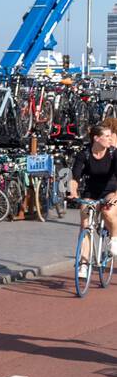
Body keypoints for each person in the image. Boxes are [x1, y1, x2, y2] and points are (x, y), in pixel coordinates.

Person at [67, 118, 117, 279]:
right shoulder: (84, 154)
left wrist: (115, 197)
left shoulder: (113, 153)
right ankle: (83, 263)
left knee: (109, 212)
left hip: (111, 190)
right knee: (85, 224)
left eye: (111, 136)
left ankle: (114, 239)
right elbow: (75, 177)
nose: (111, 139)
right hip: (91, 191)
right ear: (96, 138)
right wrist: (73, 192)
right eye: (107, 136)